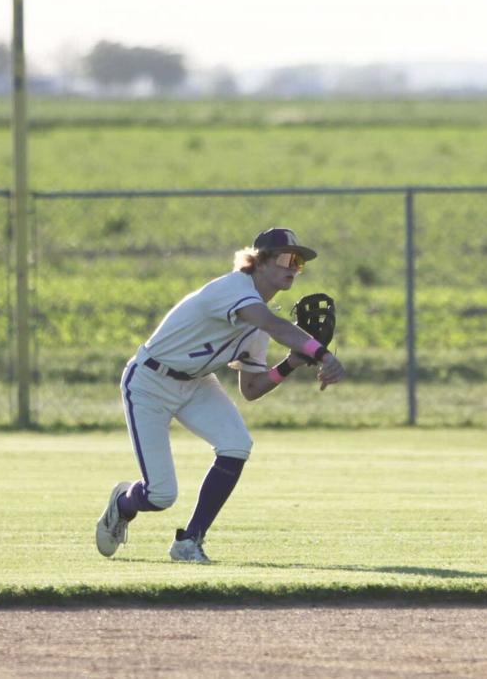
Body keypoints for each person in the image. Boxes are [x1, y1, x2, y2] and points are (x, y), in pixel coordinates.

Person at [95, 227, 344, 564]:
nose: (293, 268)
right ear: (260, 260)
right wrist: (324, 355)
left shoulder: (259, 324)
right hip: (150, 382)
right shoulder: (234, 289)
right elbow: (279, 326)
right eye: (287, 258)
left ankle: (189, 541)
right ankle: (123, 504)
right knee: (160, 495)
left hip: (197, 383)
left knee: (237, 445)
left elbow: (252, 389)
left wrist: (289, 364)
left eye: (299, 263)